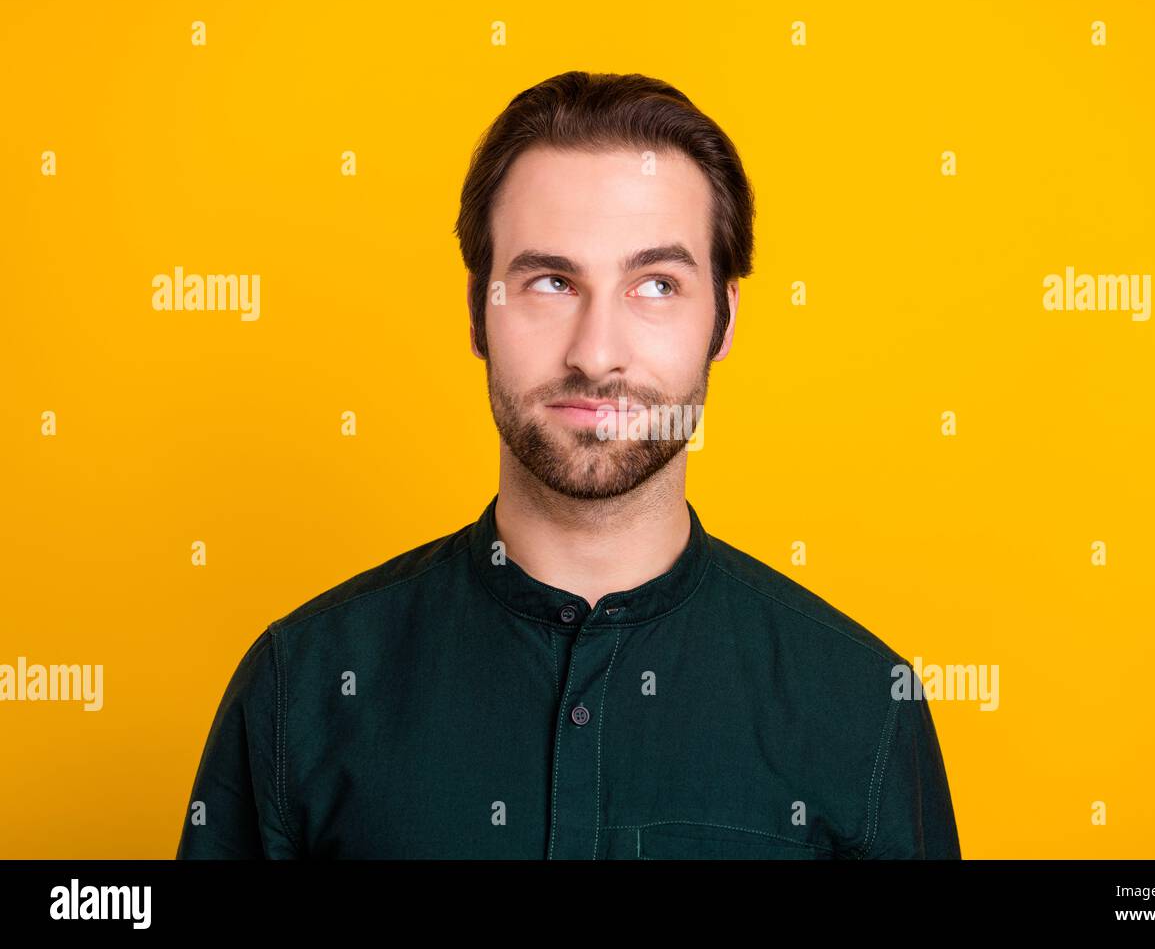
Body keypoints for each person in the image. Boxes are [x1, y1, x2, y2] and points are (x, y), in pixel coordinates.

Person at [176, 70, 960, 859]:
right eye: (551, 282)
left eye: (656, 284)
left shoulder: (861, 708)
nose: (596, 353)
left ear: (722, 321)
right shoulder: (298, 692)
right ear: (479, 310)